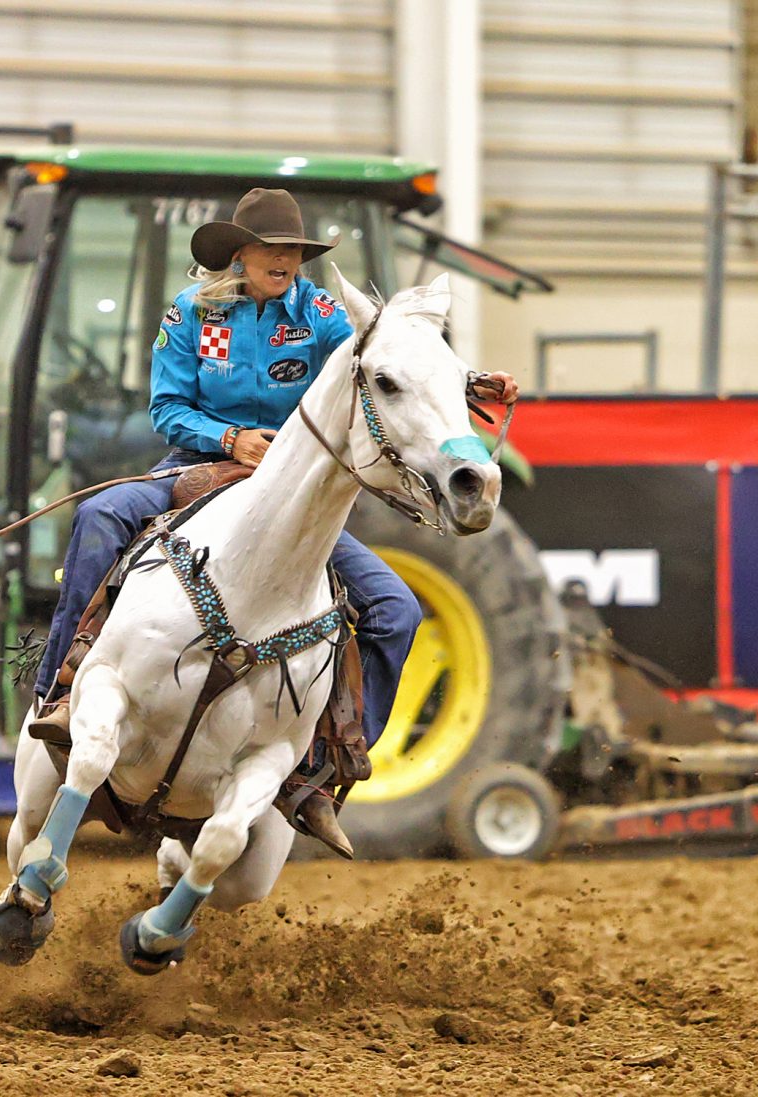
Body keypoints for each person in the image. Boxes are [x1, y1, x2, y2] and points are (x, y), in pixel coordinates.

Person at [30, 187, 518, 854]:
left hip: (288, 493)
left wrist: (469, 386)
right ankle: (59, 687)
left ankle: (320, 767)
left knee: (396, 611)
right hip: (195, 467)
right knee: (99, 515)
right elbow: (168, 408)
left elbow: (388, 366)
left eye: (295, 251)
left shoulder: (319, 314)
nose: (287, 259)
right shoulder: (190, 315)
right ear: (241, 255)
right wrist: (232, 441)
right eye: (273, 250)